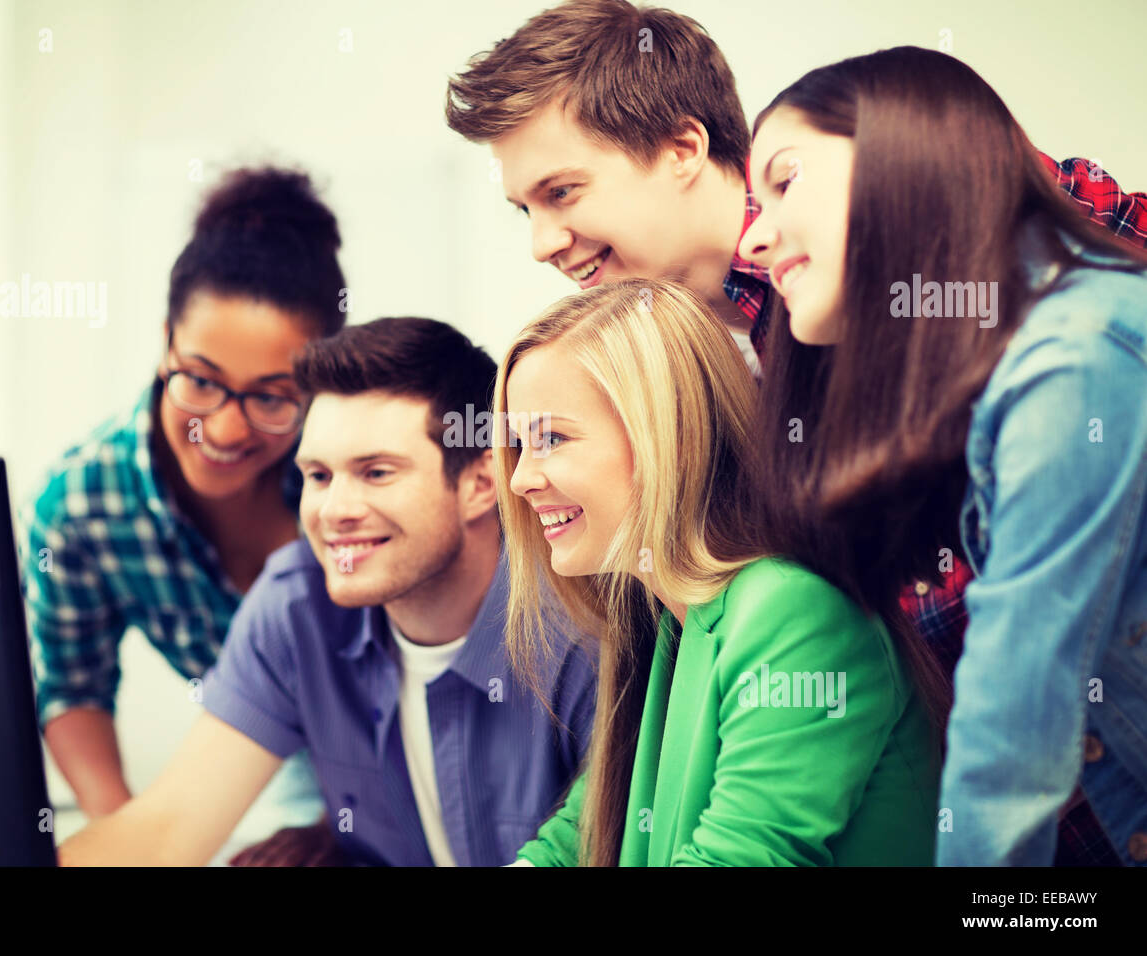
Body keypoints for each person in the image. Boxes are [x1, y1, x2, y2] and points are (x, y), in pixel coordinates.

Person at [445, 0, 1147, 861]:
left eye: (562, 192)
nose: (543, 243)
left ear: (683, 149)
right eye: (523, 209)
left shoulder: (900, 210)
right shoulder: (698, 369)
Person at [736, 46, 1147, 866]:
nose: (753, 239)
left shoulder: (1074, 358)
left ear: (906, 156)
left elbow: (1012, 735)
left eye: (786, 181)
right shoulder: (1008, 365)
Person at [56, 317, 597, 866]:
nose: (333, 511)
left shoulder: (583, 631)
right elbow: (168, 827)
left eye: (376, 472)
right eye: (318, 476)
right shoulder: (296, 605)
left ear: (481, 483)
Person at [496, 279, 941, 866]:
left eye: (552, 438)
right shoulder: (665, 619)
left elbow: (739, 857)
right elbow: (581, 832)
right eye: (519, 445)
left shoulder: (793, 609)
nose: (520, 479)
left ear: (668, 435)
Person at [21, 166, 340, 826]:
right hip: (271, 763)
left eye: (272, 397)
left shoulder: (356, 471)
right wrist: (122, 835)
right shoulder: (80, 504)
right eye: (200, 380)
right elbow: (73, 686)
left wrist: (337, 828)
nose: (223, 430)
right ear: (165, 340)